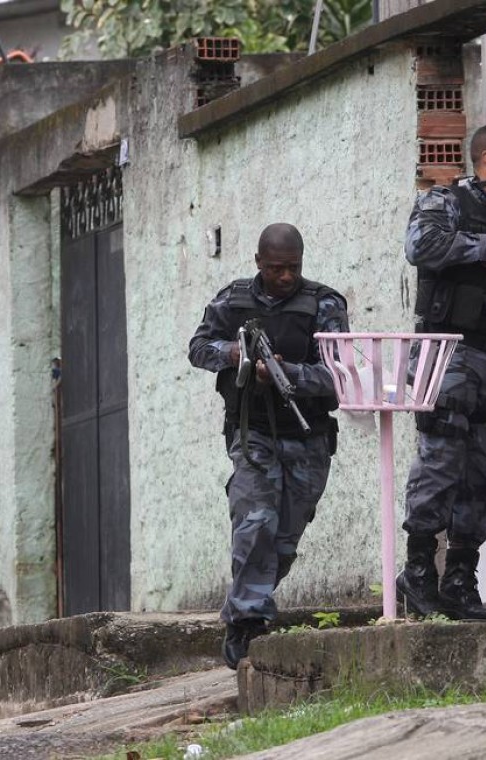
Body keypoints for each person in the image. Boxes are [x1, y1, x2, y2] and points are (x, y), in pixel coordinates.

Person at [188, 223, 348, 669]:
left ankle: (248, 603)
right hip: (252, 433)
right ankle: (246, 623)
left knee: (283, 541)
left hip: (308, 437)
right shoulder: (233, 299)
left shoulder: (324, 303)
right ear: (259, 262)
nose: (284, 277)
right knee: (254, 523)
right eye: (275, 269)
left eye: (292, 268)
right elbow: (198, 347)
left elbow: (339, 374)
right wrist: (234, 354)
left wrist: (290, 373)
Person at [397, 121, 486, 621]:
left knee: (482, 475)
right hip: (448, 353)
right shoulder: (448, 202)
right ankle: (417, 571)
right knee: (440, 463)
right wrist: (484, 249)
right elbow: (421, 246)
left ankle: (459, 579)